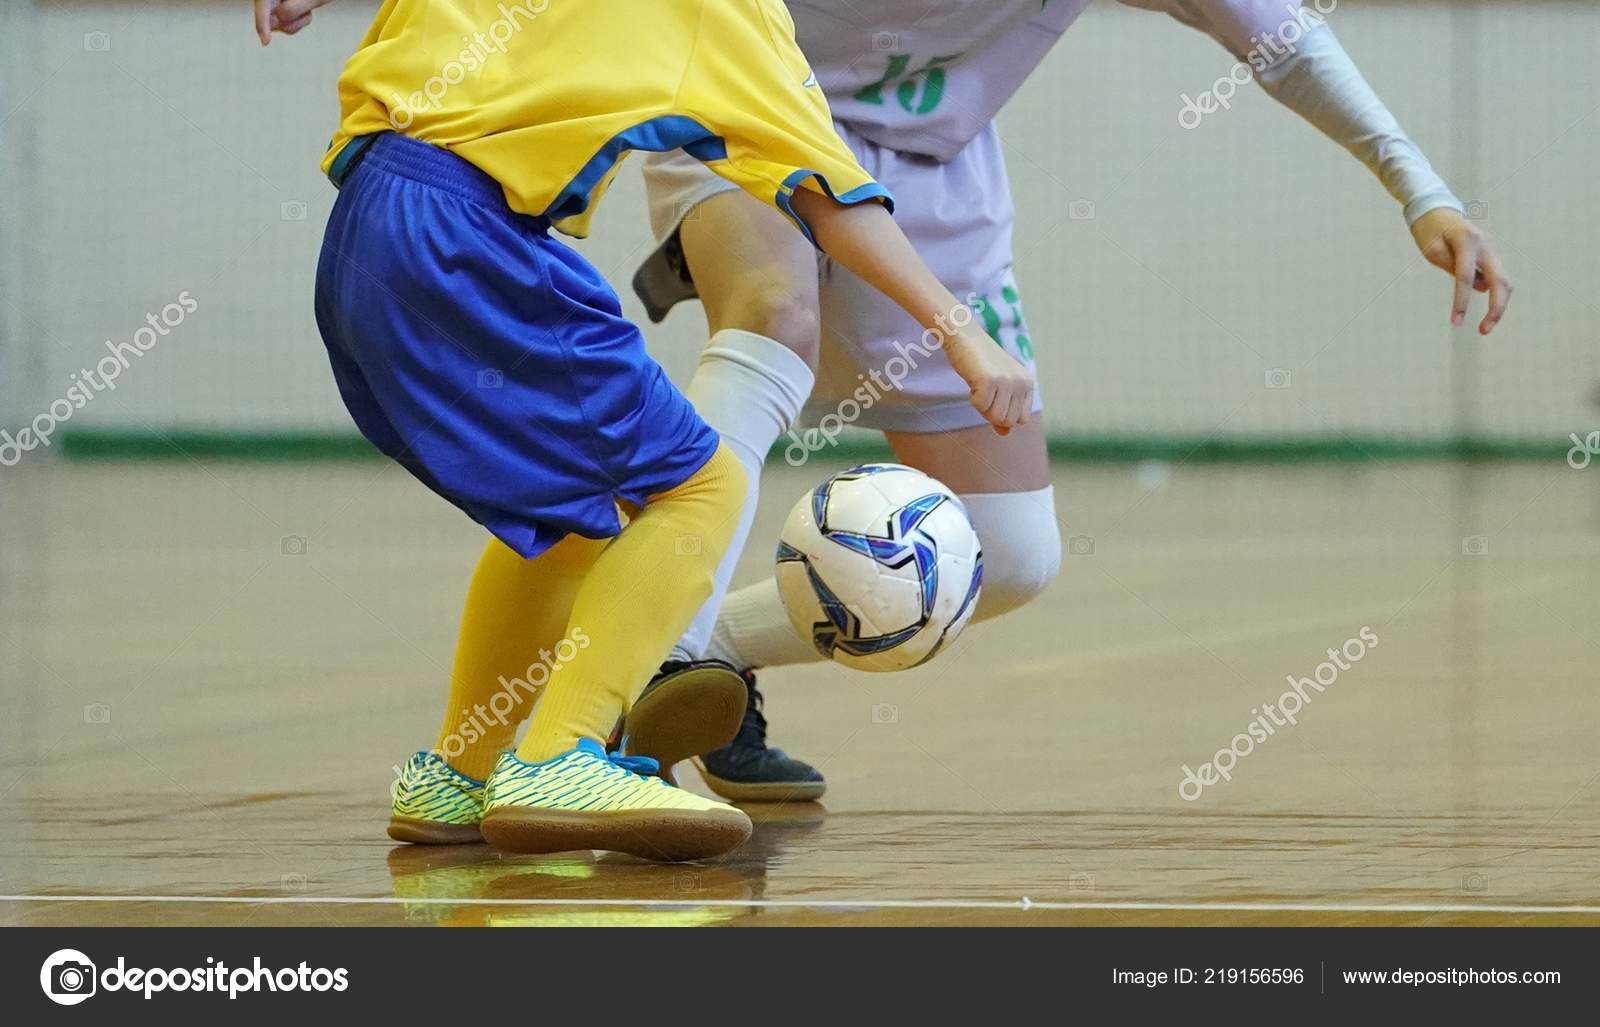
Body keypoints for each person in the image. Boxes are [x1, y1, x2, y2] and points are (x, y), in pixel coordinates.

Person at [620, 0, 1515, 801]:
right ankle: (639, 670)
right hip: (749, 101)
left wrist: (1420, 188)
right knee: (775, 312)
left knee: (1006, 555)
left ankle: (716, 657)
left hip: (926, 165)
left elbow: (1280, 36)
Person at [255, 0, 1032, 859]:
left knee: (574, 515)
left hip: (365, 229)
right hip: (468, 239)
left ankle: (459, 772)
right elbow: (827, 195)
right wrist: (960, 334)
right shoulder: (730, 12)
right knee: (699, 485)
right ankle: (562, 754)